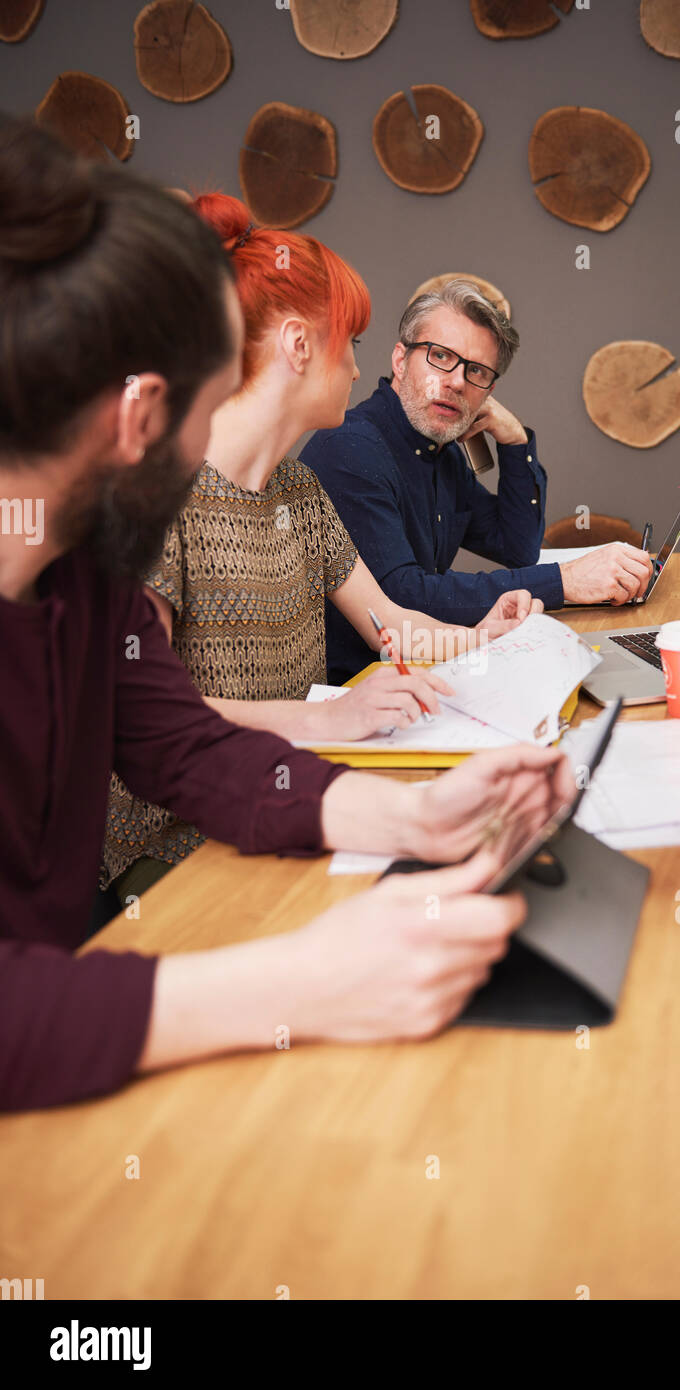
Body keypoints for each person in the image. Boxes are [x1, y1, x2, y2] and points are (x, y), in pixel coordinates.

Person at [0, 117, 575, 1112]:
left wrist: (411, 812)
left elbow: (181, 746)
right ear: (140, 418)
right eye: (213, 402)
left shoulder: (86, 573)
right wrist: (305, 979)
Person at [101, 196, 542, 904]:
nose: (360, 366)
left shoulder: (299, 491)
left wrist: (478, 639)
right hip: (171, 846)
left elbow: (387, 623)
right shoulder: (154, 497)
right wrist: (323, 717)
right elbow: (139, 712)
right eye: (354, 342)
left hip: (283, 796)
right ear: (300, 346)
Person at [301, 278, 655, 682]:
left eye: (476, 371)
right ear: (400, 359)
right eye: (440, 356)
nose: (456, 382)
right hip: (355, 689)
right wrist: (567, 581)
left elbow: (516, 546)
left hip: (426, 673)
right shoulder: (350, 447)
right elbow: (402, 595)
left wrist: (516, 442)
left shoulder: (441, 448)